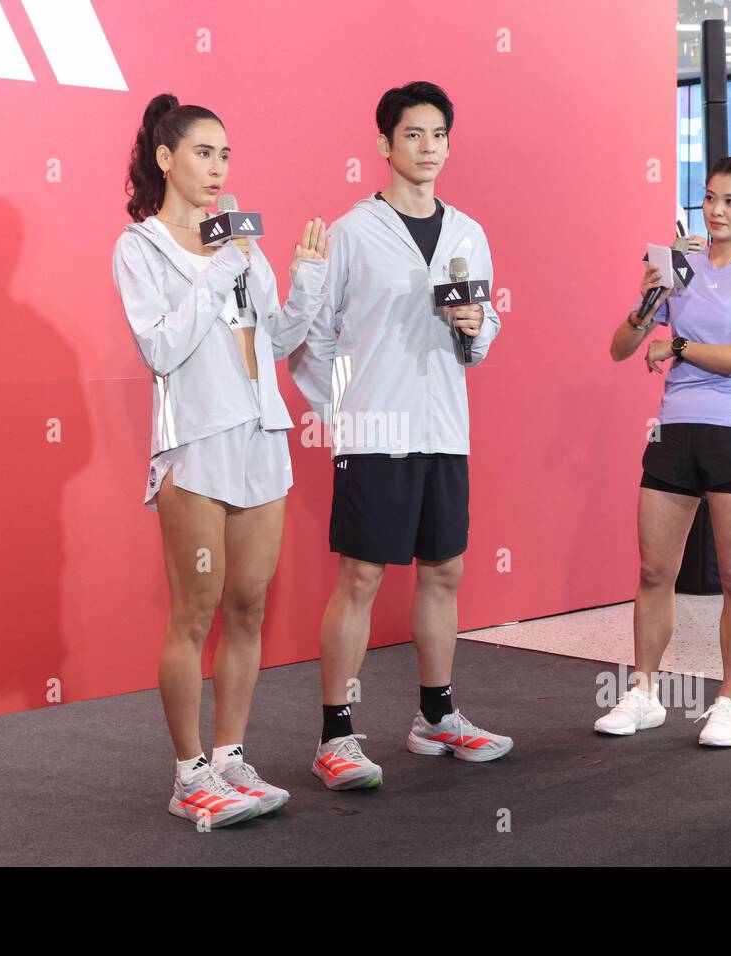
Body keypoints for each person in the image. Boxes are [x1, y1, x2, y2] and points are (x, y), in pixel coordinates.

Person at [112, 93, 331, 825]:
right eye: (203, 153)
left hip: (261, 436)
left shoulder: (240, 243)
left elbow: (272, 340)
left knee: (248, 604)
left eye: (226, 154)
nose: (217, 167)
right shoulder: (140, 247)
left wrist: (304, 282)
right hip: (195, 443)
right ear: (167, 159)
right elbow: (161, 348)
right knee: (194, 610)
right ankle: (187, 773)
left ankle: (231, 757)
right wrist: (215, 265)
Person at [289, 81, 510, 791]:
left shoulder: (468, 233)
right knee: (360, 577)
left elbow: (484, 327)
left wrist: (479, 331)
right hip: (375, 429)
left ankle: (436, 716)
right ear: (384, 145)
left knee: (444, 571)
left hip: (445, 426)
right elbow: (311, 339)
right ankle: (336, 735)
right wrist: (346, 409)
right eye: (413, 134)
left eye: (438, 134)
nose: (428, 148)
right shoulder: (353, 231)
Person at [598, 155, 731, 747]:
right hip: (675, 429)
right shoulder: (679, 265)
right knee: (655, 570)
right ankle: (643, 692)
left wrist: (679, 345)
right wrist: (646, 304)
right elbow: (619, 347)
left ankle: (729, 702)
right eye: (710, 197)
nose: (715, 210)